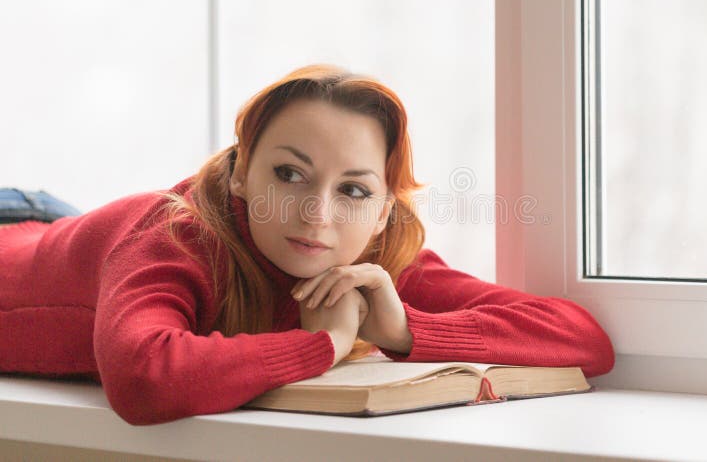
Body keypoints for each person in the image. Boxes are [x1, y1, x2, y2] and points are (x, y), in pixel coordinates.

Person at [0, 64, 615, 426]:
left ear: (382, 212)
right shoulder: (177, 237)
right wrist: (325, 344)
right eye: (289, 175)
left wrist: (403, 329)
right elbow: (143, 378)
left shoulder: (372, 263)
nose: (317, 216)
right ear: (242, 172)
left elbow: (582, 338)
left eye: (352, 190)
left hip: (62, 230)